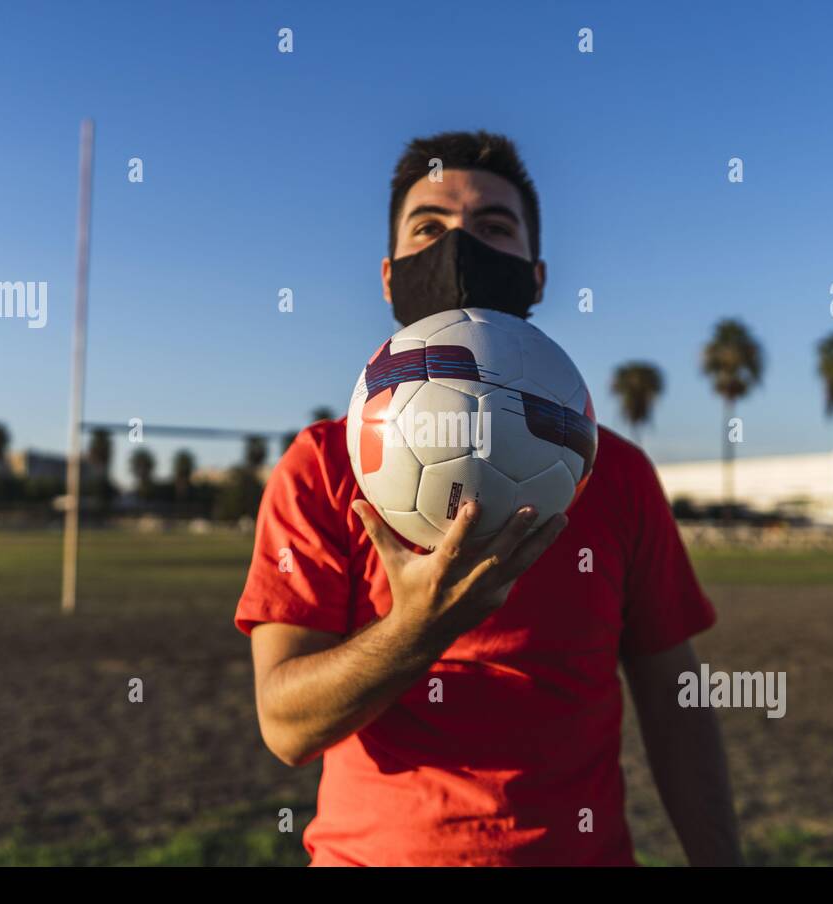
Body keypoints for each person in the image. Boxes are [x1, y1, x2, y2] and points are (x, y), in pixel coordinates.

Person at [235, 130, 742, 866]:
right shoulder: (323, 464)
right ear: (389, 276)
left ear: (536, 277)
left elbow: (675, 700)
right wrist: (417, 628)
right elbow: (285, 725)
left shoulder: (616, 472)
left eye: (492, 228)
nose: (458, 248)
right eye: (429, 228)